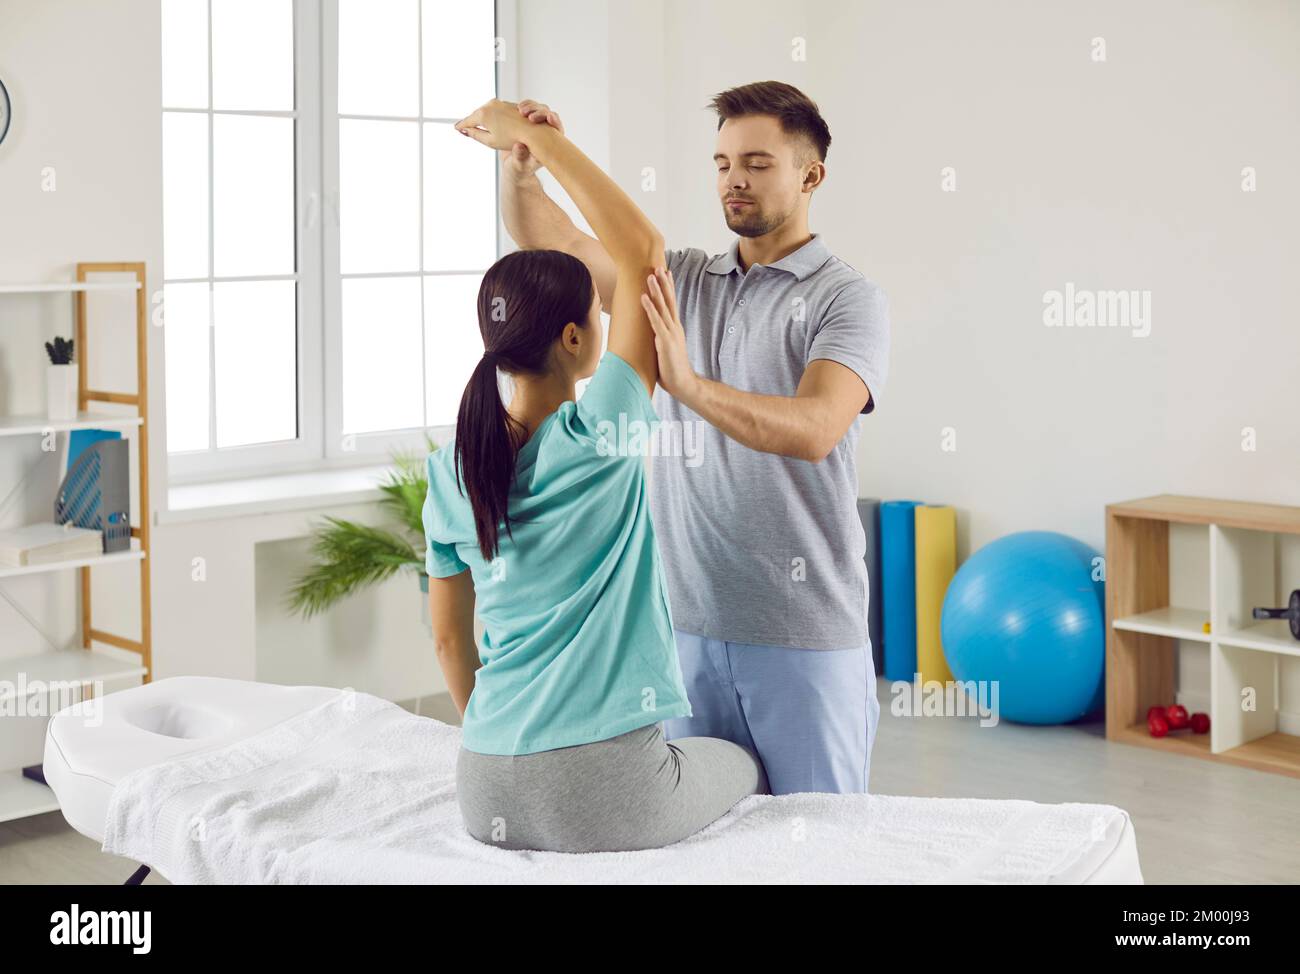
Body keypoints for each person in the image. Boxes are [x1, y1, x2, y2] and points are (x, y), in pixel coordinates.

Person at [496, 82, 892, 795]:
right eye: (721, 162)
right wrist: (524, 166)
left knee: (825, 856)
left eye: (757, 162)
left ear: (810, 175)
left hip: (803, 637)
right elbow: (552, 241)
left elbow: (814, 429)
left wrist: (689, 385)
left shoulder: (848, 298)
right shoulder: (680, 279)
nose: (733, 178)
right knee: (701, 855)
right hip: (681, 635)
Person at [422, 99, 764, 854]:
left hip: (483, 783)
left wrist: (524, 171)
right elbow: (641, 248)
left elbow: (450, 643)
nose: (610, 325)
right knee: (743, 766)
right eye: (599, 319)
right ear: (576, 338)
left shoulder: (449, 470)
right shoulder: (601, 430)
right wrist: (538, 139)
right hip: (605, 791)